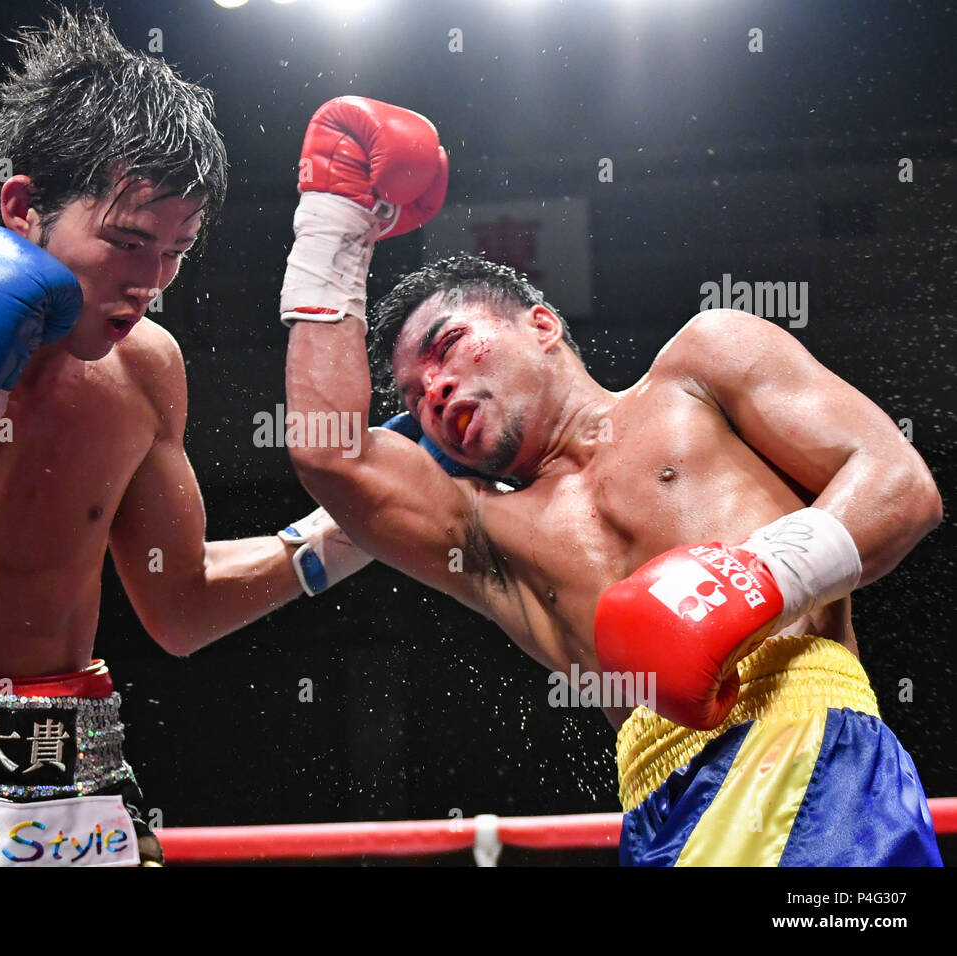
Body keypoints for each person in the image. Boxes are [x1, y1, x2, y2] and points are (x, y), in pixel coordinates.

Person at [0, 8, 373, 868]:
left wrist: (356, 531)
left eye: (176, 252)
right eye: (126, 242)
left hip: (64, 764)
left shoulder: (148, 369)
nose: (148, 284)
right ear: (22, 207)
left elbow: (182, 604)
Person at [279, 95, 945, 865]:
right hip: (660, 815)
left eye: (450, 344)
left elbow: (899, 481)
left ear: (541, 323)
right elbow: (328, 454)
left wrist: (761, 576)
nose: (432, 389)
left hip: (814, 753)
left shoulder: (703, 364)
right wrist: (334, 223)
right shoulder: (483, 527)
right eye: (411, 395)